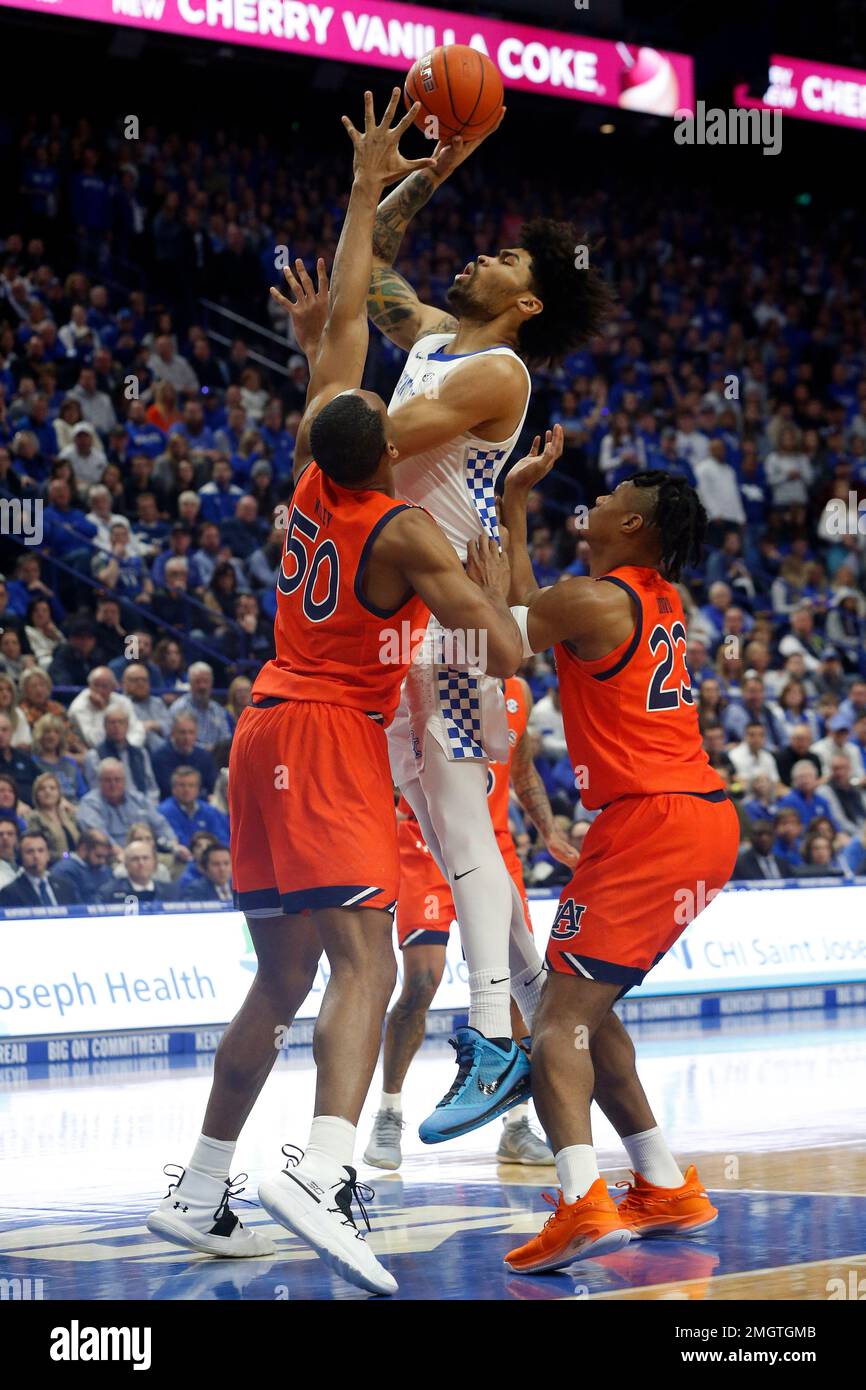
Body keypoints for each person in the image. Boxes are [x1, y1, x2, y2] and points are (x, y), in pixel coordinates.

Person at [146, 94, 521, 1297]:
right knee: (365, 961)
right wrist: (489, 569)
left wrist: (366, 188)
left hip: (258, 726)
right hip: (326, 729)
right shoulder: (406, 526)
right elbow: (502, 653)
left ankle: (203, 1186)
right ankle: (324, 1165)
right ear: (390, 442)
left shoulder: (314, 454)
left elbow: (348, 319)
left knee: (282, 973)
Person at [331, 98, 614, 1135]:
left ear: (527, 303)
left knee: (464, 826)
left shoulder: (495, 369)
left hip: (450, 617)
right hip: (406, 614)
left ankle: (492, 1034)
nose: (479, 259)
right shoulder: (446, 336)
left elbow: (362, 433)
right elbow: (378, 258)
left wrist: (328, 366)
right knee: (450, 826)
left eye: (500, 257)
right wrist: (430, 167)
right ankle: (505, 1035)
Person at [499, 448, 739, 1273]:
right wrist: (516, 508)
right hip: (697, 820)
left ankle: (578, 1203)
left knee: (556, 1023)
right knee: (588, 1010)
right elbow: (537, 605)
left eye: (609, 496)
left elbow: (503, 635)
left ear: (629, 524)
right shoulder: (641, 596)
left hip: (652, 821)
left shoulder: (594, 599)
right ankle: (664, 1183)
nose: (595, 498)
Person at [364, 674, 575, 1170]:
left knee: (516, 985)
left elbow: (520, 771)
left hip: (497, 848)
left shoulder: (517, 693)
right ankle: (389, 1113)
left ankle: (516, 1124)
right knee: (421, 981)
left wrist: (549, 830)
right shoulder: (431, 669)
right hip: (424, 844)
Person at [77, 759, 183, 857]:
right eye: (108, 780)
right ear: (99, 782)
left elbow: (160, 825)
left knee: (180, 861)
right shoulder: (90, 804)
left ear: (124, 781)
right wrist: (123, 856)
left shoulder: (139, 799)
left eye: (117, 780)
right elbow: (99, 837)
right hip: (112, 858)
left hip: (149, 856)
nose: (113, 784)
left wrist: (173, 845)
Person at [0, 830, 77, 908]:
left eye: (41, 850)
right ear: (20, 857)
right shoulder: (10, 892)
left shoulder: (65, 887)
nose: (36, 856)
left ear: (48, 855)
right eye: (30, 852)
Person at [158, 766, 229, 847]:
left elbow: (223, 838)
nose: (186, 789)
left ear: (198, 788)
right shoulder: (164, 812)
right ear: (173, 788)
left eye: (191, 785)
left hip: (213, 856)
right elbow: (178, 841)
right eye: (182, 785)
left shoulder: (210, 811)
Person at [151, 712, 216, 798]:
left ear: (196, 734)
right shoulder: (159, 758)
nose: (187, 737)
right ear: (173, 733)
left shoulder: (204, 757)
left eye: (191, 732)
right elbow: (165, 790)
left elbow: (212, 788)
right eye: (182, 732)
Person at [169, 663, 231, 750]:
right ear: (190, 684)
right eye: (197, 682)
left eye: (206, 681)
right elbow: (173, 739)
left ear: (211, 684)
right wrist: (204, 751)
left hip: (217, 758)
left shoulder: (218, 709)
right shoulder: (178, 708)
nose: (202, 686)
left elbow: (226, 738)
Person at [97, 838, 176, 907]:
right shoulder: (109, 893)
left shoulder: (171, 892)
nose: (141, 863)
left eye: (145, 858)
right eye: (135, 859)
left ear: (154, 862)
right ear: (126, 864)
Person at [49, 827, 114, 903]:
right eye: (98, 856)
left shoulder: (103, 869)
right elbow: (73, 904)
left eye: (105, 857)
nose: (103, 861)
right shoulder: (65, 871)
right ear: (83, 849)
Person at [26, 772, 79, 860]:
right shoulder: (34, 817)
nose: (48, 791)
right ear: (36, 794)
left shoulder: (67, 814)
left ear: (59, 793)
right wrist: (66, 856)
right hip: (54, 864)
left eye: (52, 788)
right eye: (42, 789)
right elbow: (37, 847)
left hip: (76, 862)